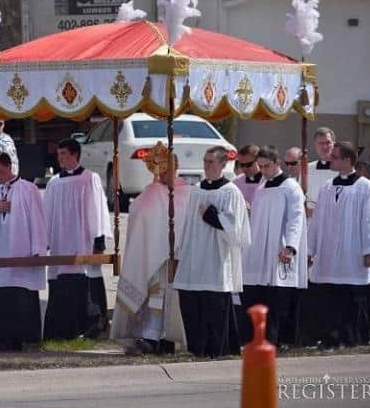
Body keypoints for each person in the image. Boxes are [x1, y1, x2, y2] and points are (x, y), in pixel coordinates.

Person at [111, 143, 190, 355]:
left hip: (178, 256)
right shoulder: (151, 192)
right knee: (155, 298)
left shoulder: (188, 192)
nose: (162, 174)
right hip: (152, 255)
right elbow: (138, 214)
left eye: (166, 169)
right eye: (159, 170)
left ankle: (171, 339)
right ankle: (151, 337)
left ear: (175, 167)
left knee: (174, 299)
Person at [173, 146, 251, 358]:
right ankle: (197, 349)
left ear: (223, 164)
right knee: (191, 303)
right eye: (205, 161)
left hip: (217, 258)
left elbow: (235, 229)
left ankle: (218, 349)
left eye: (211, 162)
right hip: (193, 257)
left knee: (215, 306)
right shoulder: (196, 190)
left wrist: (211, 215)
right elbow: (187, 225)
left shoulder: (230, 192)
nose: (206, 166)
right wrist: (181, 252)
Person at [307, 141, 370, 348]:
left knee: (352, 298)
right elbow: (317, 221)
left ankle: (351, 338)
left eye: (335, 157)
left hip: (352, 252)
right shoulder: (327, 187)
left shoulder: (365, 187)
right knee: (331, 298)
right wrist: (310, 250)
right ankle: (331, 337)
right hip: (329, 254)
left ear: (348, 160)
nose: (331, 160)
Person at [43, 138, 111, 340]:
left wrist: (99, 238)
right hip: (60, 242)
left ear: (75, 154)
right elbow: (46, 213)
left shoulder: (90, 178)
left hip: (84, 240)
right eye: (58, 154)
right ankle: (61, 331)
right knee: (61, 281)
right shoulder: (54, 182)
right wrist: (44, 240)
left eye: (63, 153)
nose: (59, 158)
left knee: (86, 277)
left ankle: (91, 327)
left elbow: (99, 209)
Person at [240, 146, 307, 349]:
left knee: (276, 301)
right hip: (259, 250)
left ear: (277, 163)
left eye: (266, 166)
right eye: (260, 166)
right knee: (257, 296)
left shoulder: (290, 187)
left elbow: (296, 219)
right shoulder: (262, 186)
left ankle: (274, 340)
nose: (263, 170)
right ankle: (256, 339)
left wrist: (290, 247)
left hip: (279, 248)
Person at [0, 152, 48, 350]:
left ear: (9, 167)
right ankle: (1, 338)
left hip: (22, 250)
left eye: (0, 172)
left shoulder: (28, 189)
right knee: (0, 294)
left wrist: (38, 248)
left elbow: (38, 219)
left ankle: (25, 337)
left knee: (22, 293)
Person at [306, 127, 337, 219]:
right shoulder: (307, 169)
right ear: (315, 145)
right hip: (312, 221)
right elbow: (301, 196)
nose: (324, 147)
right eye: (321, 143)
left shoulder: (343, 169)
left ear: (334, 144)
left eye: (328, 142)